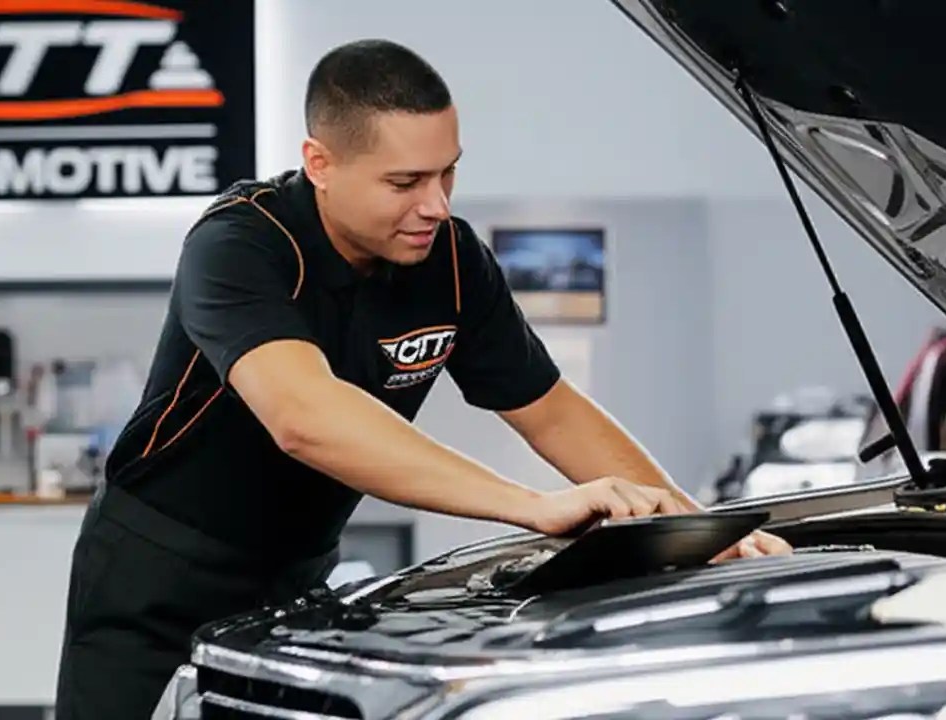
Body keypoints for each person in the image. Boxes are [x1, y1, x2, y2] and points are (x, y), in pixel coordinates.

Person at [54, 38, 792, 720]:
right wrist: (531, 506)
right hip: (159, 570)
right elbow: (303, 416)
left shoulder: (451, 258)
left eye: (448, 172)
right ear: (320, 163)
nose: (436, 204)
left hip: (299, 570)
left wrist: (690, 526)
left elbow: (550, 408)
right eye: (405, 181)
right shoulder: (241, 245)